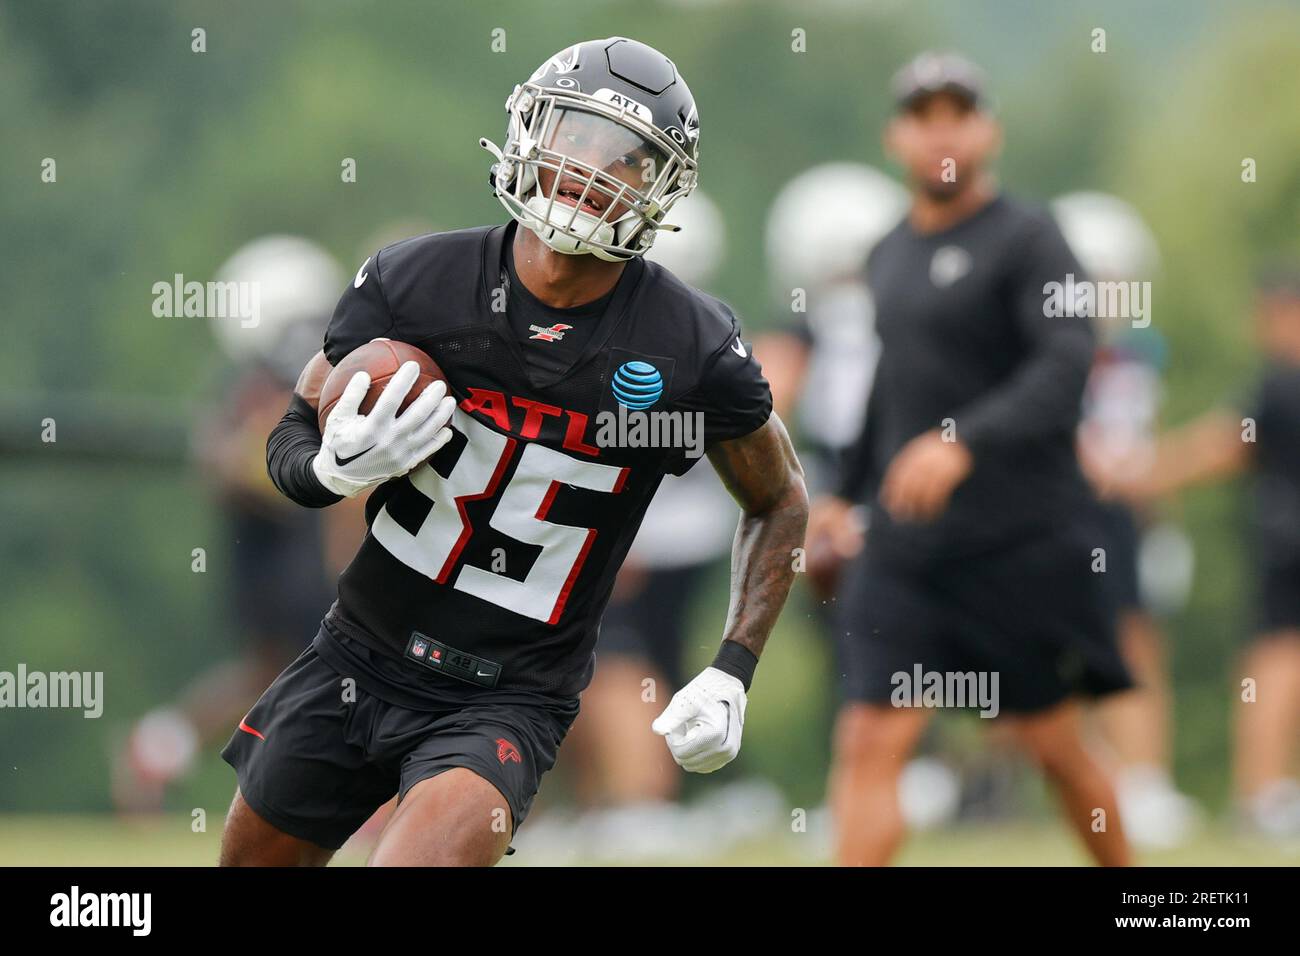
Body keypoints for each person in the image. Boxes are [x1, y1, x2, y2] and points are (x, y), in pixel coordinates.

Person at [218, 37, 808, 866]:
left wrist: (732, 669)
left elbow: (779, 497)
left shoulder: (692, 344)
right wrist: (328, 470)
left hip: (506, 698)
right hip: (357, 650)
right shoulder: (416, 281)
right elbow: (294, 429)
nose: (590, 168)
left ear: (662, 187)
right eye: (576, 133)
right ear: (531, 131)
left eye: (626, 158)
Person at [808, 51, 1132, 866]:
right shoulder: (886, 253)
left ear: (987, 129)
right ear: (897, 136)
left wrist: (963, 440)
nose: (940, 132)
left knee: (1053, 746)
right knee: (869, 738)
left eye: (958, 113)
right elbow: (893, 388)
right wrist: (842, 492)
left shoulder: (1031, 237)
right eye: (924, 116)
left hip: (1018, 543)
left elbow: (1065, 369)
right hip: (908, 550)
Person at [112, 237, 346, 813]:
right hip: (282, 550)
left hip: (273, 547)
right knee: (321, 667)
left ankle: (160, 746)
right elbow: (237, 465)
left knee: (274, 672)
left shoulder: (253, 383)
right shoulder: (259, 388)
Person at [1111, 265, 1300, 839]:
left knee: (1276, 659)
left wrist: (1144, 473)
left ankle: (1262, 792)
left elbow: (1226, 445)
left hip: (1288, 543)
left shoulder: (1281, 382)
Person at [1053, 191, 1202, 849]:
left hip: (1120, 518)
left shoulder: (1141, 353)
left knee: (1137, 643)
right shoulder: (1050, 353)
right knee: (1066, 652)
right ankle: (1095, 780)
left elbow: (1146, 436)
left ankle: (1144, 779)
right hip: (1061, 512)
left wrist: (1163, 523)